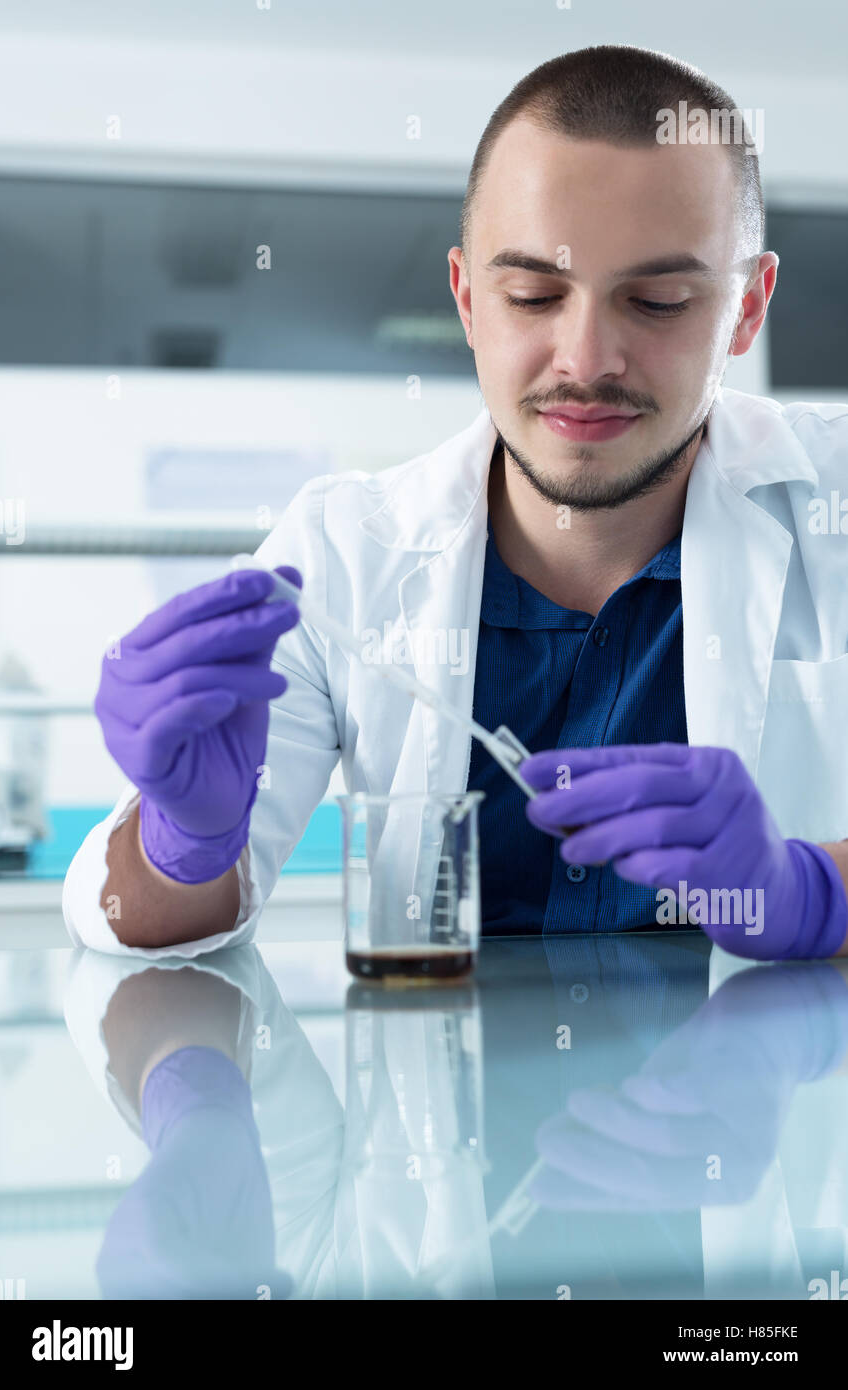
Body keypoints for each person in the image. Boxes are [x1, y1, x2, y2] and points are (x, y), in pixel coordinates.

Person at [63, 45, 848, 960]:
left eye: (660, 301)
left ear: (748, 306)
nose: (586, 360)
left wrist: (816, 893)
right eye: (533, 294)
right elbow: (134, 932)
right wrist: (181, 843)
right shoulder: (344, 553)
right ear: (469, 300)